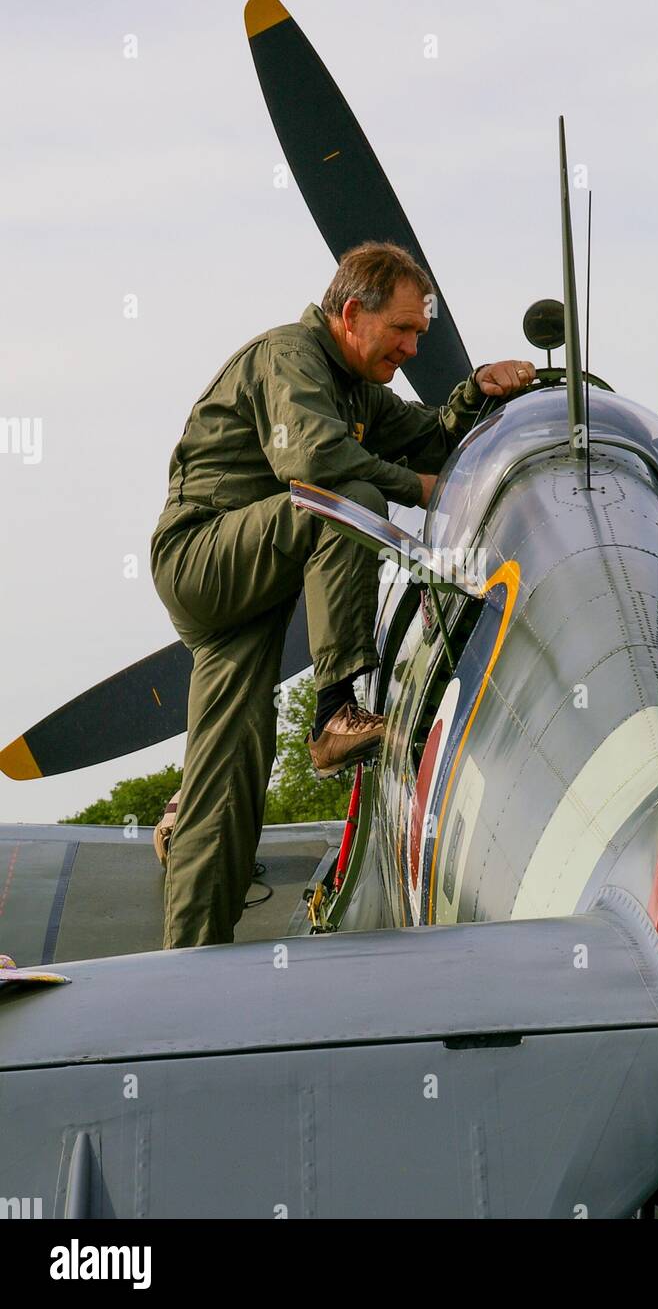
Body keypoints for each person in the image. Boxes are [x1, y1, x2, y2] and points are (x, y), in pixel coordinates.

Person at [150, 240, 535, 948]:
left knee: (228, 775)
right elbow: (316, 462)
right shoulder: (289, 357)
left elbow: (425, 440)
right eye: (405, 329)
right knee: (347, 497)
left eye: (421, 332)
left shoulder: (357, 387)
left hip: (248, 585)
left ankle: (192, 958)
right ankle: (334, 712)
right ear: (353, 313)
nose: (415, 347)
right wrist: (415, 493)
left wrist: (475, 393)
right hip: (201, 558)